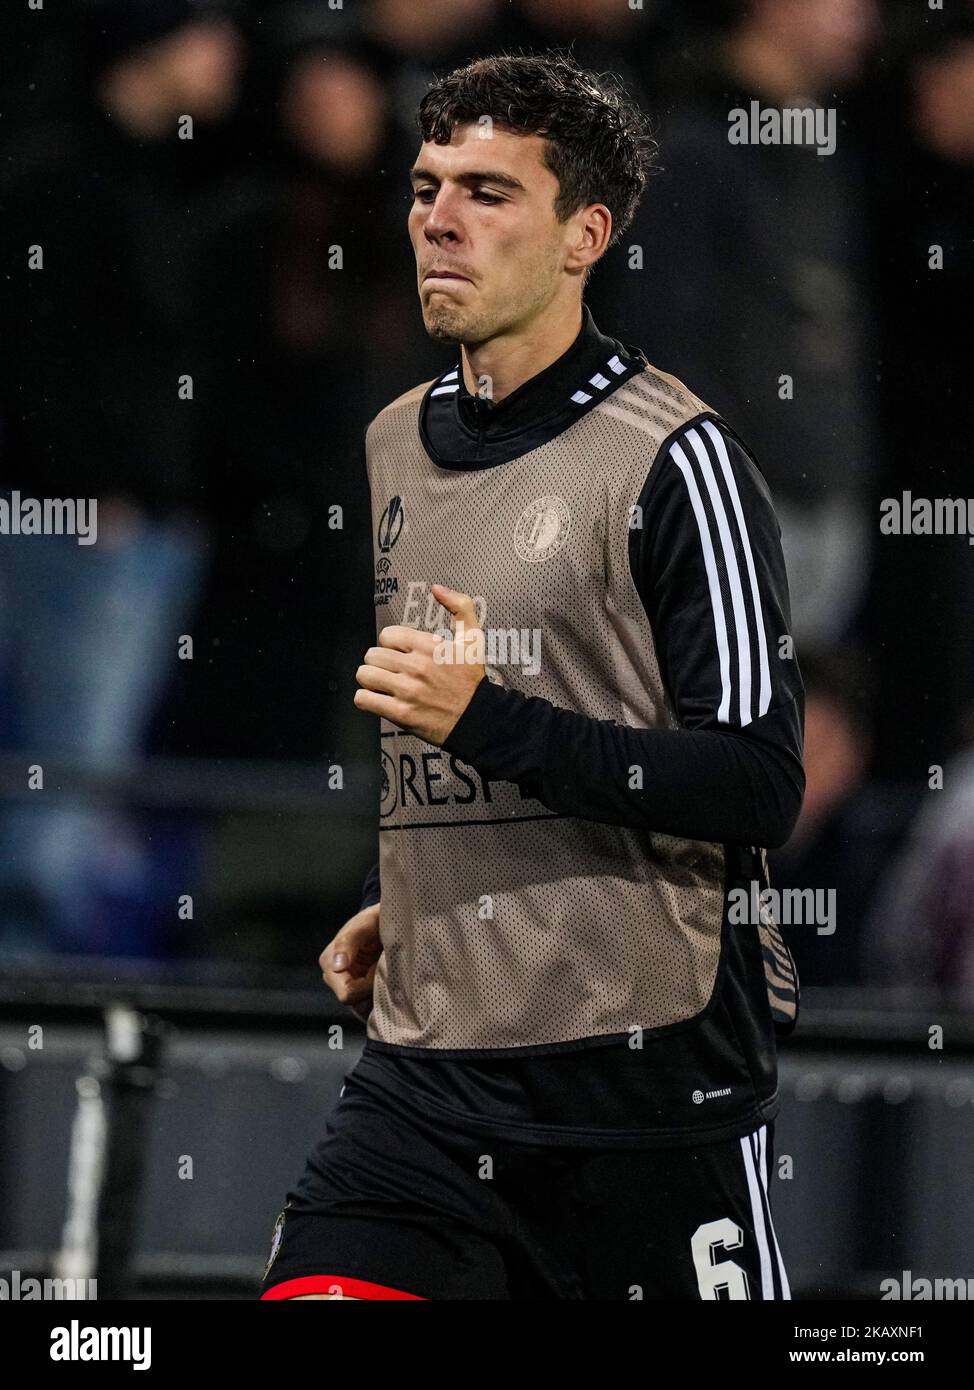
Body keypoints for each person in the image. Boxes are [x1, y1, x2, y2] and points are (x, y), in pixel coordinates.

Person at [259, 52, 804, 1302]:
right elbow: (453, 728)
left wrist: (493, 721)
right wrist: (430, 891)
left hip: (642, 1086)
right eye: (425, 185)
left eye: (489, 192)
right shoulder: (395, 438)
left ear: (583, 236)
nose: (437, 218)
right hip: (426, 1083)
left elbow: (757, 778)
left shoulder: (679, 457)